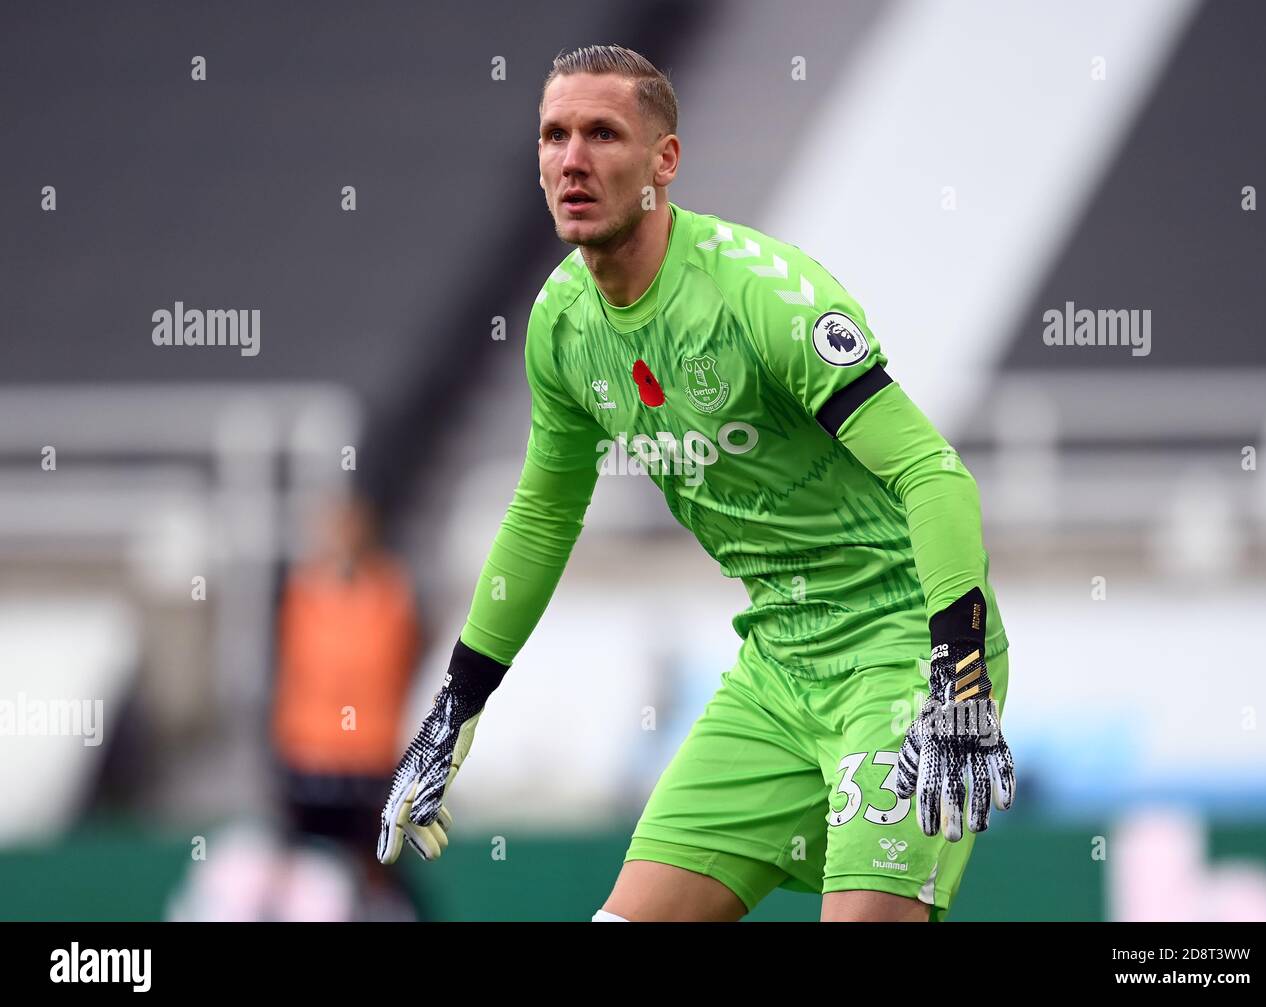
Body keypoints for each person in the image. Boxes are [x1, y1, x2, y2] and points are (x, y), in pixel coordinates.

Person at [377, 43, 1015, 923]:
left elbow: (935, 474)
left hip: (905, 658)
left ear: (663, 160)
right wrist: (456, 701)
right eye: (554, 135)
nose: (572, 160)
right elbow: (540, 518)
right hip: (777, 669)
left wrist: (960, 673)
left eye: (603, 133)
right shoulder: (562, 323)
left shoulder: (763, 296)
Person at [272, 491, 424, 919]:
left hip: (371, 755)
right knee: (303, 869)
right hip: (309, 754)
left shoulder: (392, 590)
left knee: (380, 865)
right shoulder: (301, 592)